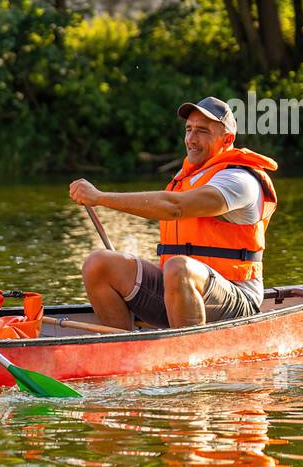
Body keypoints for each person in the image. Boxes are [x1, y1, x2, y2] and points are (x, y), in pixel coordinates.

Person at [68, 96, 279, 329]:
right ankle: (122, 350)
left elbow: (174, 207)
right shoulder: (187, 176)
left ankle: (188, 354)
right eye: (188, 129)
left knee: (179, 267)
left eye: (202, 131)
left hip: (237, 301)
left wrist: (100, 198)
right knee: (98, 264)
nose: (191, 139)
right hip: (178, 290)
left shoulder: (239, 180)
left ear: (227, 139)